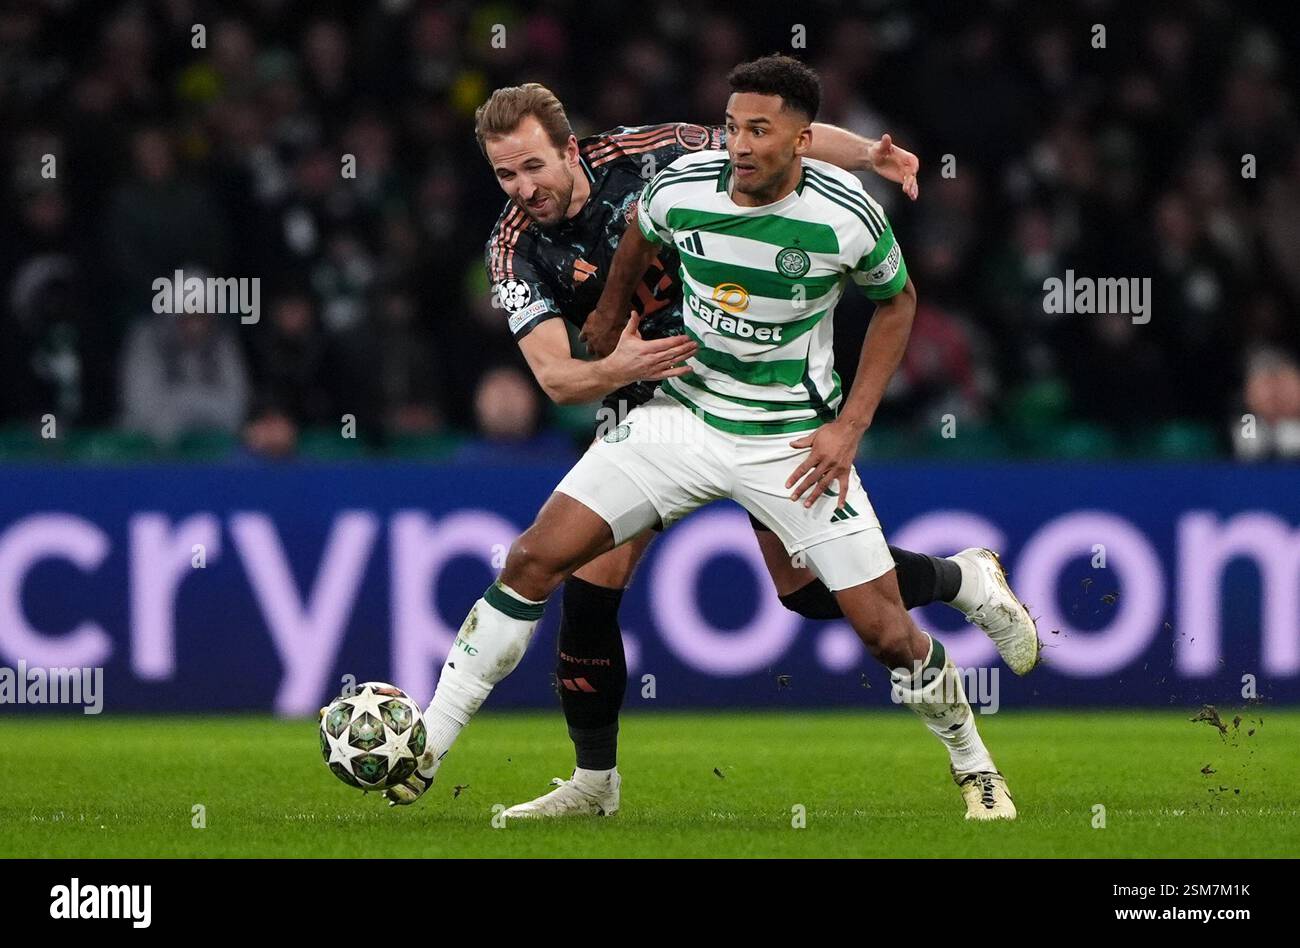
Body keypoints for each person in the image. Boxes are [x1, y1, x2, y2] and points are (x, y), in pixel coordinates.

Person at [387, 67, 1037, 820]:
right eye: (506, 175)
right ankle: (476, 758)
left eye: (534, 166)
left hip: (779, 420)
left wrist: (868, 154)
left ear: (571, 149)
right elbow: (559, 380)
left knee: (834, 606)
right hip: (662, 402)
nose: (524, 188)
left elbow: (772, 144)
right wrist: (615, 347)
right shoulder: (515, 248)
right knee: (551, 569)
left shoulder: (660, 158)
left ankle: (963, 612)